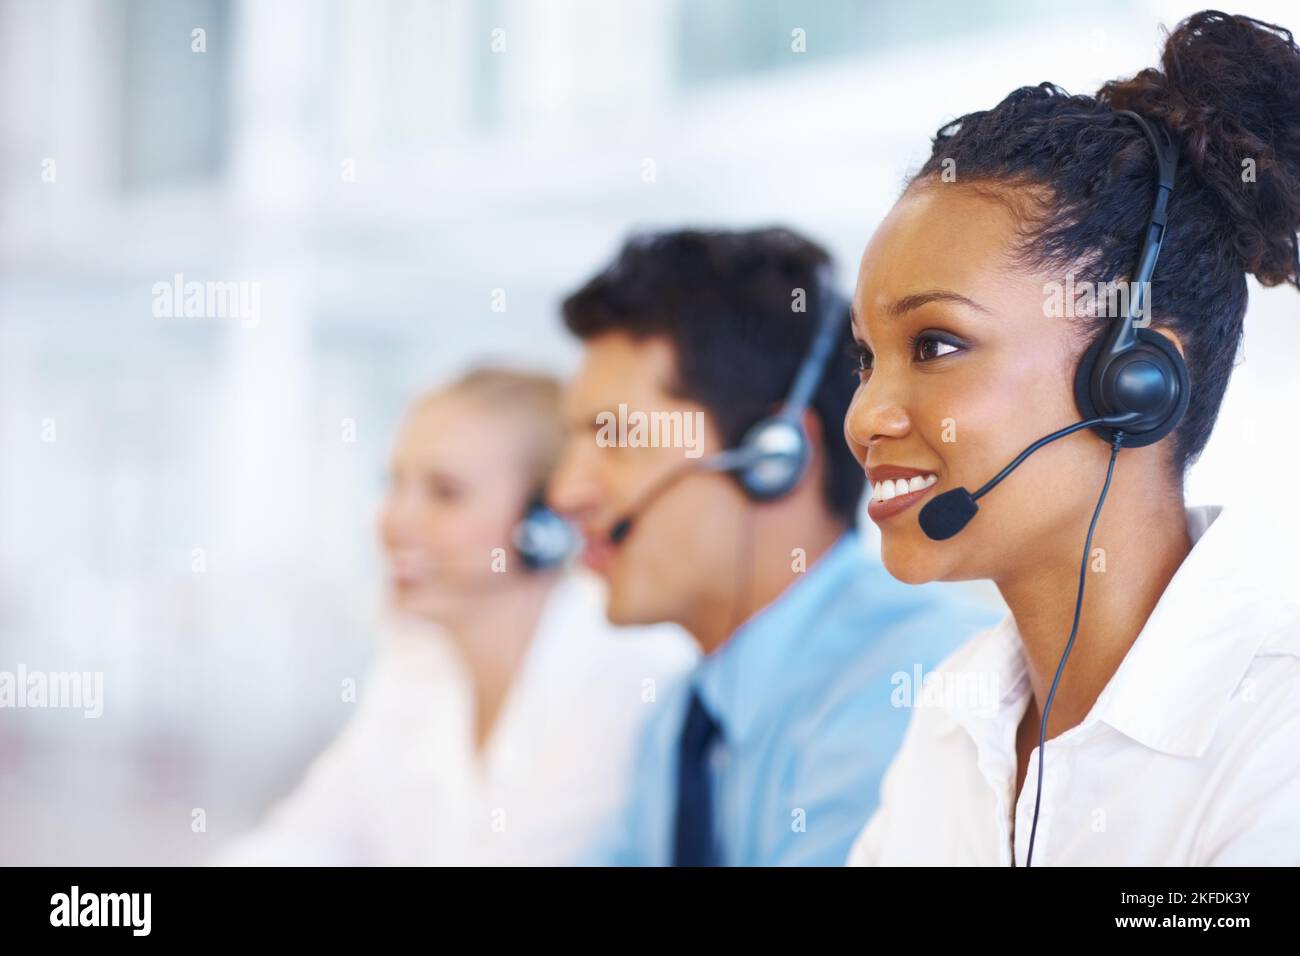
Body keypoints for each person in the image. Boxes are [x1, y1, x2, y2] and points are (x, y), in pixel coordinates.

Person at [844, 11, 1300, 865]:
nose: (867, 415)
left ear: (1135, 380)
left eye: (935, 346)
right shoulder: (959, 710)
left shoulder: (1280, 721)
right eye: (866, 361)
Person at [550, 227, 999, 866]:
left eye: (614, 438)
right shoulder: (680, 724)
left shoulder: (916, 680)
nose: (565, 493)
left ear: (775, 456)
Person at [219, 368, 692, 865]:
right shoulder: (417, 661)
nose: (395, 520)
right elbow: (303, 844)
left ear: (545, 522)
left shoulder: (621, 668)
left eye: (445, 492)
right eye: (394, 484)